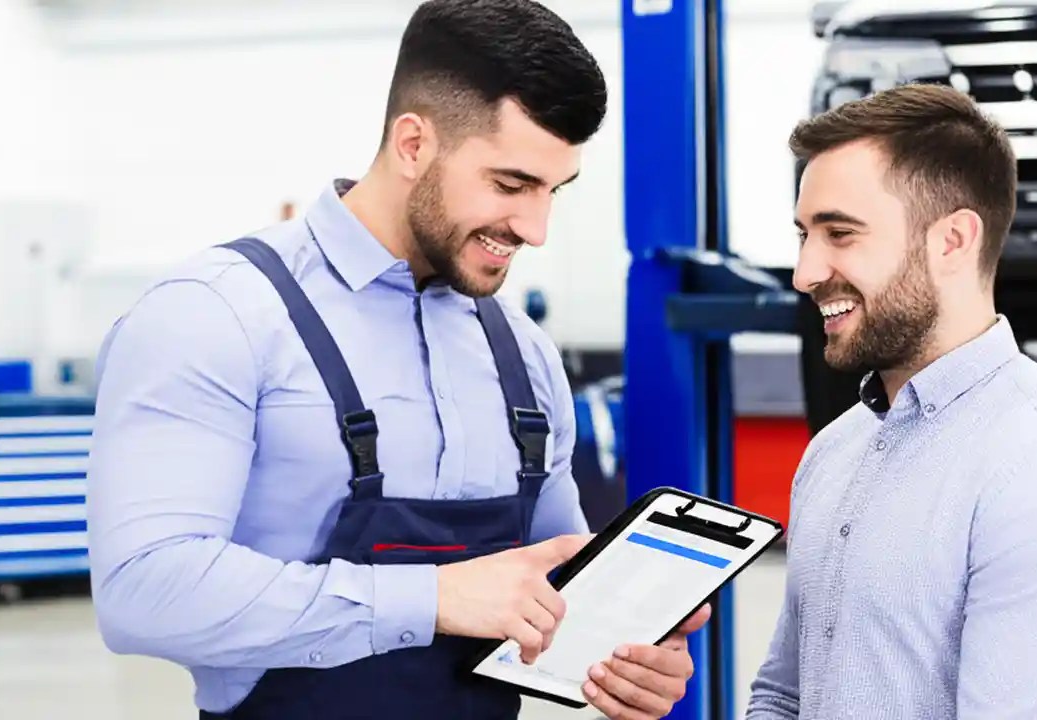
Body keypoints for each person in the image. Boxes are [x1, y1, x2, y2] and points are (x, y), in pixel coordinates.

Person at [85, 1, 706, 718]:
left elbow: (552, 581)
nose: (536, 229)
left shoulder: (524, 355)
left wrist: (623, 655)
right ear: (412, 144)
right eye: (509, 185)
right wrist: (433, 598)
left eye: (552, 191)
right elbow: (142, 592)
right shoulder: (216, 313)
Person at [746, 83, 1037, 719]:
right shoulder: (834, 451)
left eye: (840, 233)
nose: (804, 272)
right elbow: (783, 697)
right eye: (804, 234)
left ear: (954, 240)